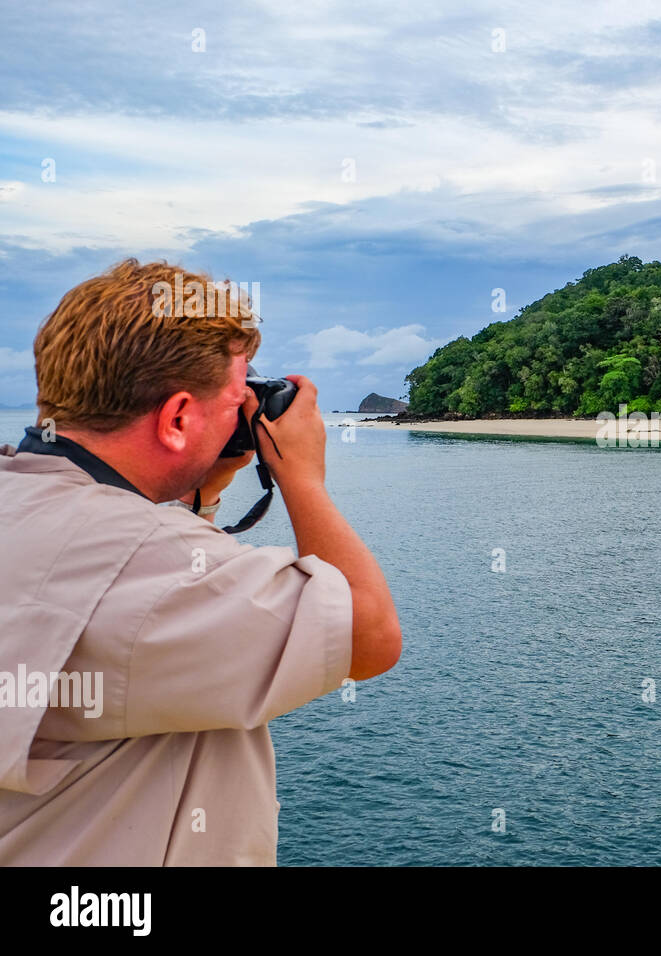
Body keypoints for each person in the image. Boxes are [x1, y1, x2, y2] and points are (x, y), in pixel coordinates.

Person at [0, 259, 402, 865]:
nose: (243, 415)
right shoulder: (143, 558)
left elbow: (130, 594)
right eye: (238, 398)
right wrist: (303, 478)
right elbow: (368, 635)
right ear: (179, 417)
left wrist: (200, 491)